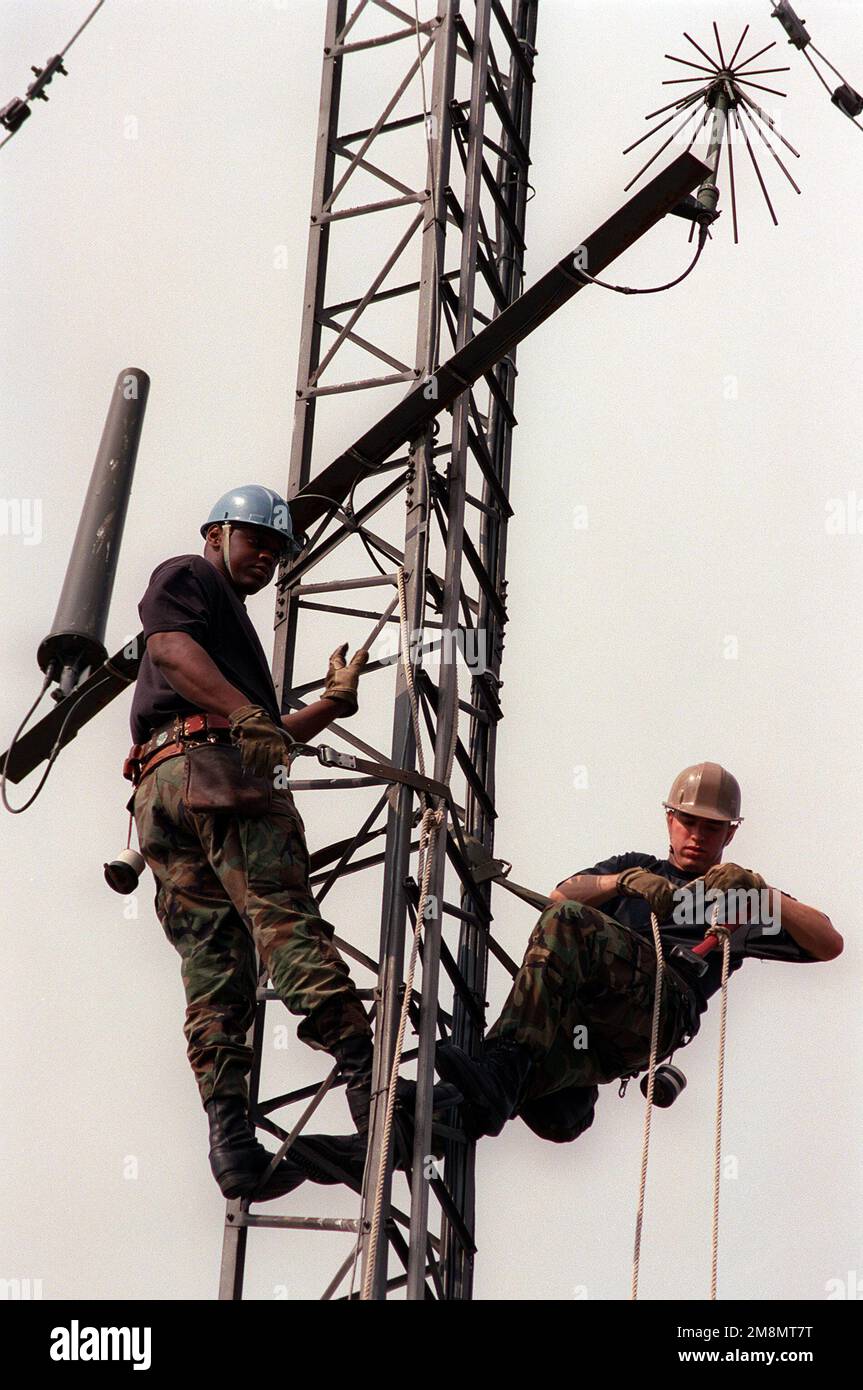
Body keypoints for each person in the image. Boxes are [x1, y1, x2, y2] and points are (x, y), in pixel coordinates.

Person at [126, 484, 381, 1200]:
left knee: (216, 967)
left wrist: (329, 704)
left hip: (167, 794)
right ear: (215, 533)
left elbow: (265, 736)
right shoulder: (188, 575)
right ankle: (366, 1081)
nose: (266, 556)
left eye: (276, 550)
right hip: (214, 778)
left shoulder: (228, 644)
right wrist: (247, 715)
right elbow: (171, 651)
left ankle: (232, 1147)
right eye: (255, 540)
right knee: (282, 920)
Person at [437, 762, 843, 1142]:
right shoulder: (637, 867)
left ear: (730, 834)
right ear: (670, 820)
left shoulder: (736, 898)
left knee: (568, 922)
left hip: (662, 1008)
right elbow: (559, 895)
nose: (697, 835)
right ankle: (412, 1126)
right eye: (688, 821)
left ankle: (503, 1068)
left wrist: (762, 891)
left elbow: (828, 942)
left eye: (712, 828)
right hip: (596, 1030)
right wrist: (623, 881)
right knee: (473, 1095)